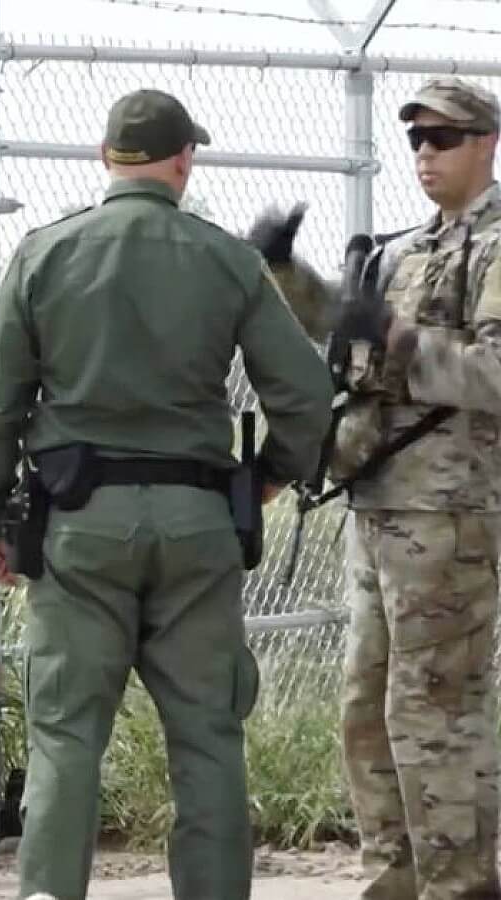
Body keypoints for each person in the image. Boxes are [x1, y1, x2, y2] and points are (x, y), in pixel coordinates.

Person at [0, 88, 332, 900]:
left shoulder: (45, 254)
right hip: (199, 525)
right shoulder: (227, 259)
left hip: (80, 526)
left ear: (106, 159)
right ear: (183, 161)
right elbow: (305, 394)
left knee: (64, 737)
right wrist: (265, 476)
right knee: (206, 737)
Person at [250, 76, 501, 900]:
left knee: (434, 712)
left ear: (486, 143)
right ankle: (390, 880)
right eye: (416, 141)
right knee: (368, 710)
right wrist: (285, 273)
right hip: (381, 500)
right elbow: (342, 322)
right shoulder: (408, 247)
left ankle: (458, 884)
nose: (426, 154)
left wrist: (398, 339)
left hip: (451, 511)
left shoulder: (494, 248)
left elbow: (493, 372)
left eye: (444, 139)